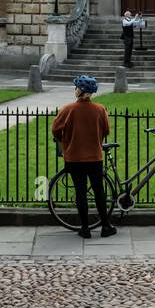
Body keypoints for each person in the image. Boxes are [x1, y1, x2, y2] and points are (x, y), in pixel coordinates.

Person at [51, 75, 117, 239]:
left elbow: (55, 130)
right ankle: (105, 226)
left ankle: (85, 228)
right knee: (99, 191)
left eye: (76, 88)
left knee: (80, 192)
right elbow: (106, 130)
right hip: (94, 156)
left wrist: (65, 138)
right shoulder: (100, 109)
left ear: (80, 91)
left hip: (74, 157)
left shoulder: (67, 110)